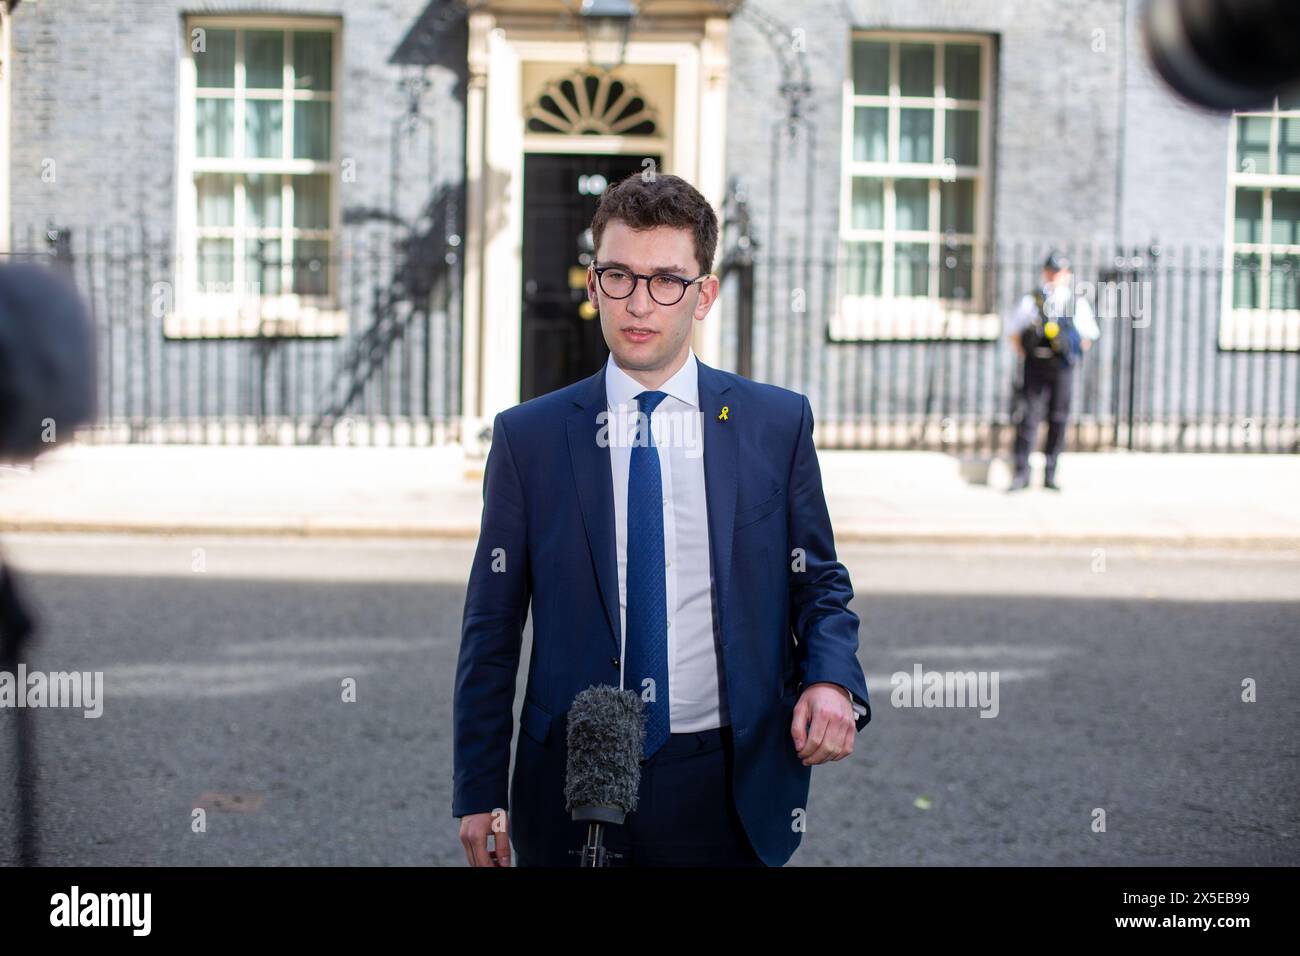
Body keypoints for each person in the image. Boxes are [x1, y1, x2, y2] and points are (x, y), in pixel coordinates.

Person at [453, 173, 871, 867]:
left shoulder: (774, 423)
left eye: (667, 280)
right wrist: (478, 791)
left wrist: (831, 680)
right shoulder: (529, 438)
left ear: (703, 294)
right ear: (593, 286)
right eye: (619, 276)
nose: (639, 303)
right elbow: (491, 630)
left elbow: (820, 584)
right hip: (570, 786)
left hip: (727, 780)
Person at [1005, 251, 1100, 491]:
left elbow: (1087, 337)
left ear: (1067, 275)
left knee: (1058, 419)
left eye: (1059, 271)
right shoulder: (1032, 300)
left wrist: (1068, 354)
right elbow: (1014, 333)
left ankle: (1050, 473)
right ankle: (1022, 473)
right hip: (1035, 366)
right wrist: (1028, 354)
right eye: (1051, 271)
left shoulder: (1075, 302)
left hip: (1062, 368)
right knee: (1028, 418)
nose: (1054, 276)